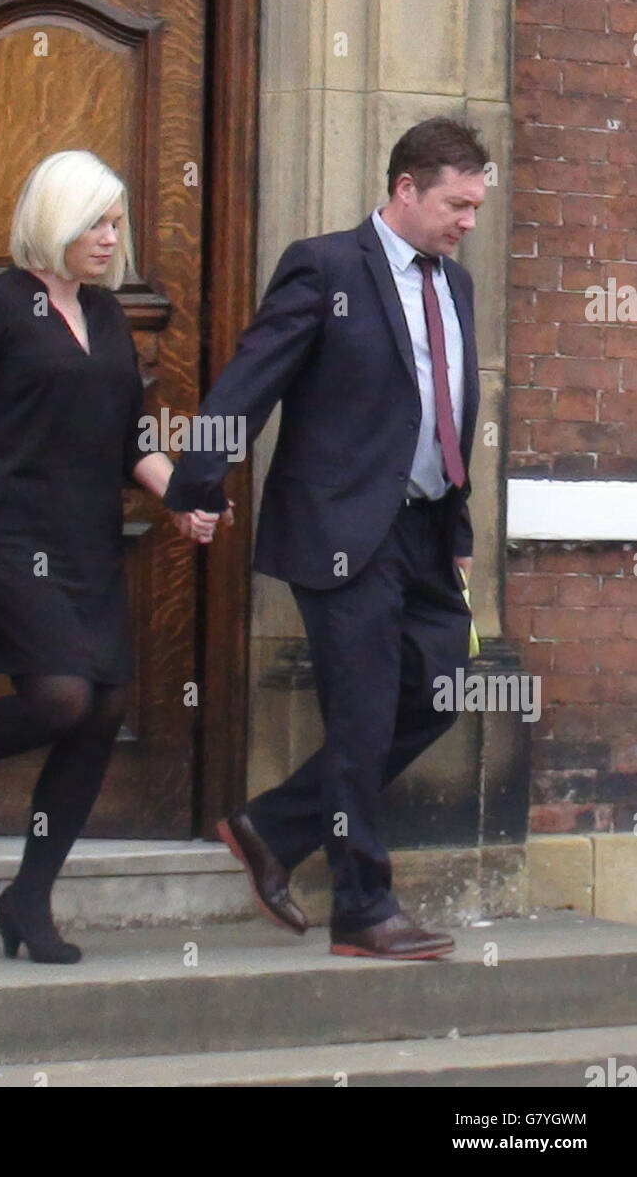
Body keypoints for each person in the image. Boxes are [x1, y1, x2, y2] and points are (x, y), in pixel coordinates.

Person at [0, 149, 219, 963]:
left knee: (104, 708)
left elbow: (130, 438)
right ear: (54, 221)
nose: (108, 237)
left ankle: (29, 899)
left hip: (89, 538)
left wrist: (179, 498)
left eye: (115, 222)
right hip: (12, 537)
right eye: (95, 220)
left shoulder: (111, 315)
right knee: (59, 697)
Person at [164, 117, 486, 960]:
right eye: (456, 203)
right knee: (361, 711)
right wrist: (196, 480)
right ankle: (362, 907)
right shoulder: (326, 266)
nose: (468, 222)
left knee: (446, 686)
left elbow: (448, 412)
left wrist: (456, 524)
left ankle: (270, 827)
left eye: (477, 205)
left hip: (422, 528)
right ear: (404, 189)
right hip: (341, 528)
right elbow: (251, 380)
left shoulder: (456, 286)